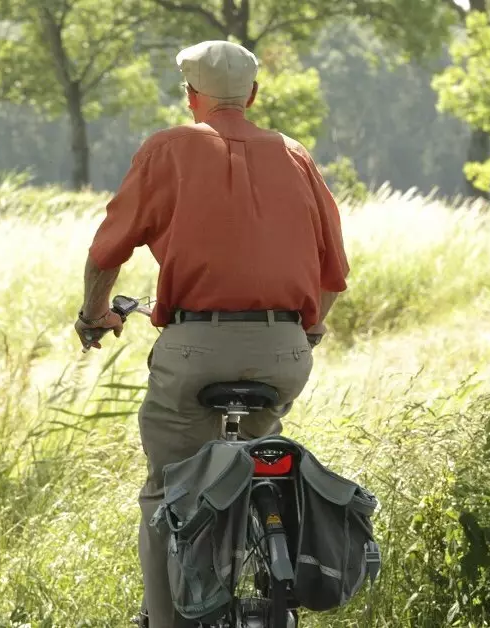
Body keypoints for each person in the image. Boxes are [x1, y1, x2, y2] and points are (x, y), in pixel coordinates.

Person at [72, 39, 349, 628]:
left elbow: (106, 254)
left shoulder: (168, 148)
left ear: (190, 95)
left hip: (196, 348)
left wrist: (95, 314)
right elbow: (333, 273)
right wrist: (311, 330)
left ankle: (166, 621)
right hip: (284, 350)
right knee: (256, 450)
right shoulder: (295, 156)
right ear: (250, 94)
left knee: (167, 489)